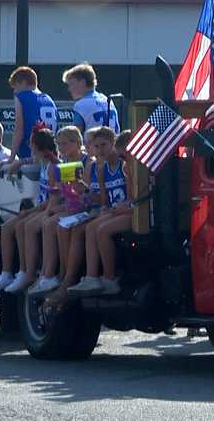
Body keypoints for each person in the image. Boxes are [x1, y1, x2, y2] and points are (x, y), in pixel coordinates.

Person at [51, 126, 120, 293]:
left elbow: (102, 200)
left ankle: (76, 277)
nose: (96, 149)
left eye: (101, 145)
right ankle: (65, 275)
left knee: (84, 228)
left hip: (107, 210)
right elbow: (83, 197)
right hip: (93, 209)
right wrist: (73, 190)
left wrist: (82, 194)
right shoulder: (89, 166)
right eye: (95, 146)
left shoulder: (92, 164)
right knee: (61, 226)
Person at [69, 131, 136, 296]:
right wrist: (83, 191)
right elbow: (103, 201)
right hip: (115, 211)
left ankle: (109, 278)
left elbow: (131, 200)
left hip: (129, 212)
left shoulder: (125, 166)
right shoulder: (101, 169)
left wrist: (116, 208)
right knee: (90, 227)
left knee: (101, 229)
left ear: (113, 142)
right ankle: (91, 277)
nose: (100, 150)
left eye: (104, 145)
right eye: (96, 146)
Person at [0, 129, 61, 294]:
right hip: (40, 208)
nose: (28, 145)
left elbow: (55, 198)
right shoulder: (41, 160)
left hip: (48, 208)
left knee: (26, 226)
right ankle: (7, 273)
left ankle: (28, 272)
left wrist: (32, 211)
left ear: (36, 146)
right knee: (7, 227)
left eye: (31, 143)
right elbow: (31, 159)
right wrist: (19, 162)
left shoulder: (54, 166)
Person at [29, 126, 88, 295]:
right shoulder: (66, 164)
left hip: (86, 208)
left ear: (77, 143)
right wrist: (52, 209)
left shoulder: (86, 162)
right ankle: (46, 275)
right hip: (73, 206)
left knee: (55, 224)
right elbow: (65, 194)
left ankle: (62, 273)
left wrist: (57, 208)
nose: (61, 148)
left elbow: (84, 197)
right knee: (48, 221)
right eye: (59, 144)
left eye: (64, 144)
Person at [7, 66, 57, 169]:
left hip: (30, 153)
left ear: (23, 82)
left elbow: (18, 130)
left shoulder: (22, 97)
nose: (15, 91)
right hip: (49, 155)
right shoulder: (48, 99)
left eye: (15, 87)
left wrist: (11, 159)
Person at [65, 63, 120, 131]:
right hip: (112, 140)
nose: (69, 89)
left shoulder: (80, 105)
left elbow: (76, 138)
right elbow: (117, 130)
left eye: (71, 84)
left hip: (94, 141)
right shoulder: (107, 100)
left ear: (82, 82)